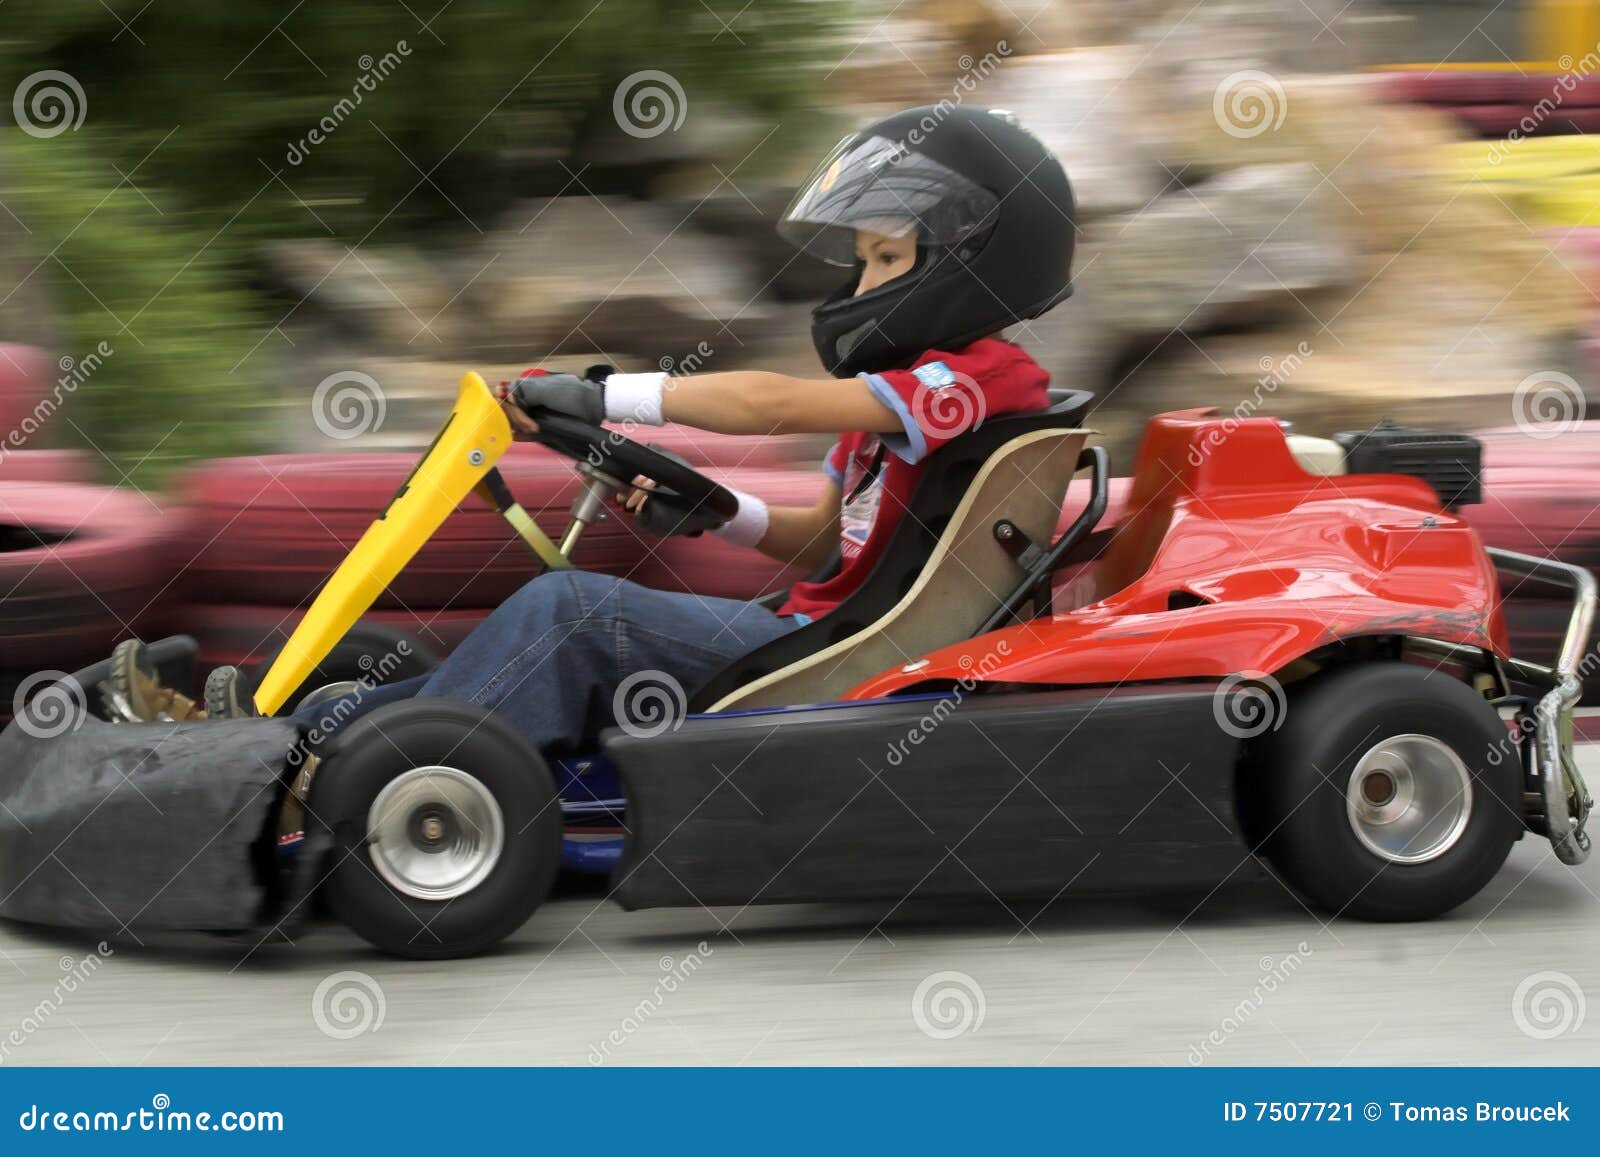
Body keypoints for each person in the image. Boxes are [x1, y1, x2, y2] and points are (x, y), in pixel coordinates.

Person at [105, 104, 1078, 758]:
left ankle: (368, 766)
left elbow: (768, 405)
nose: (859, 284)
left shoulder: (978, 380)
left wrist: (605, 393)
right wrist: (715, 508)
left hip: (841, 654)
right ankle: (295, 736)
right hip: (816, 622)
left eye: (881, 256)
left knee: (572, 611)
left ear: (969, 257)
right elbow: (825, 540)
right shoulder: (906, 402)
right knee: (518, 622)